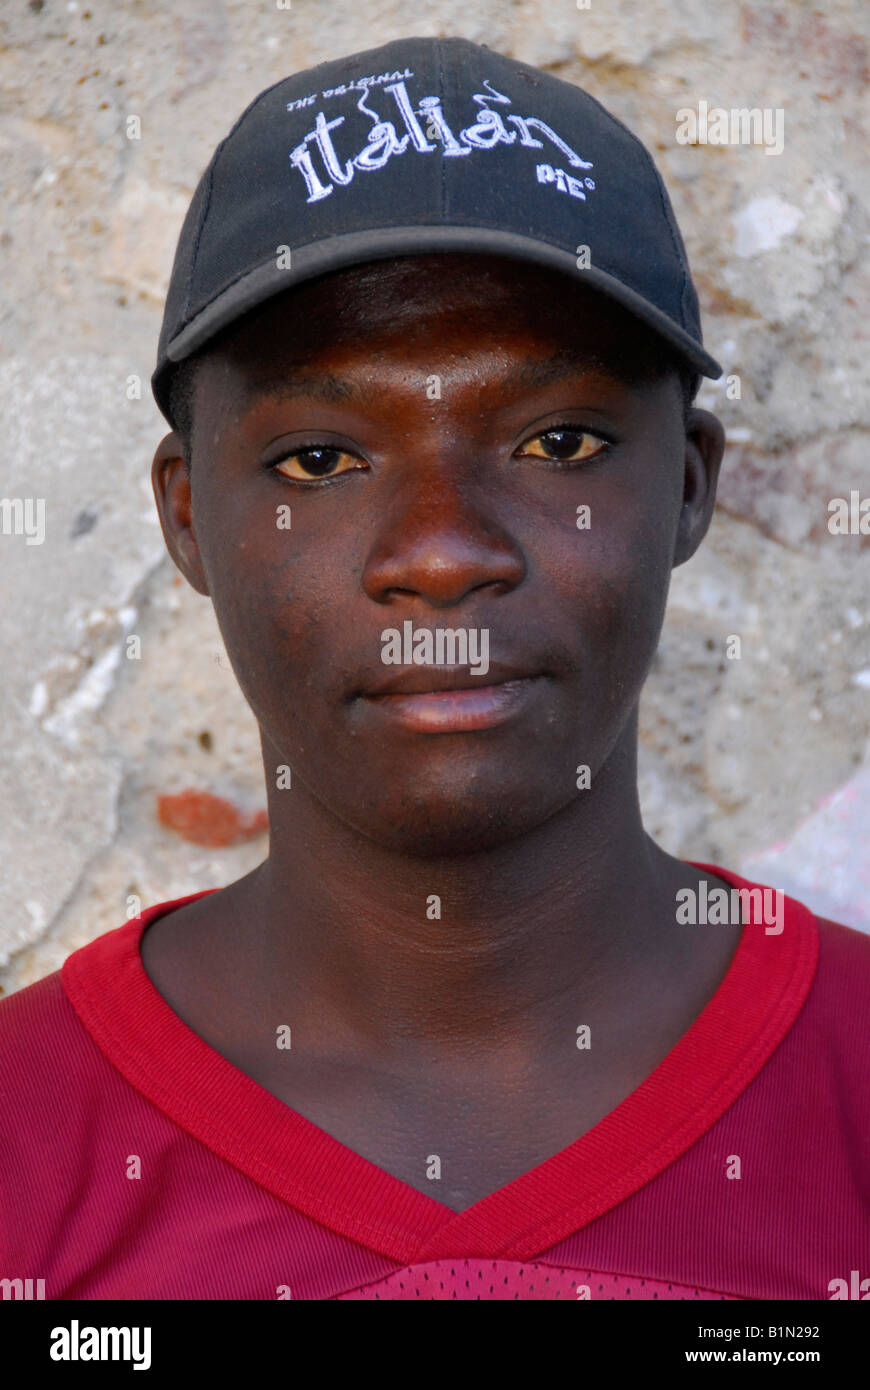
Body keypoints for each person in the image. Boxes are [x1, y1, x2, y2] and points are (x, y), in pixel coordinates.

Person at [1, 36, 867, 1303]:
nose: (444, 551)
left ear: (687, 488)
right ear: (188, 519)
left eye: (557, 439)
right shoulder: (27, 1152)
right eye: (320, 460)